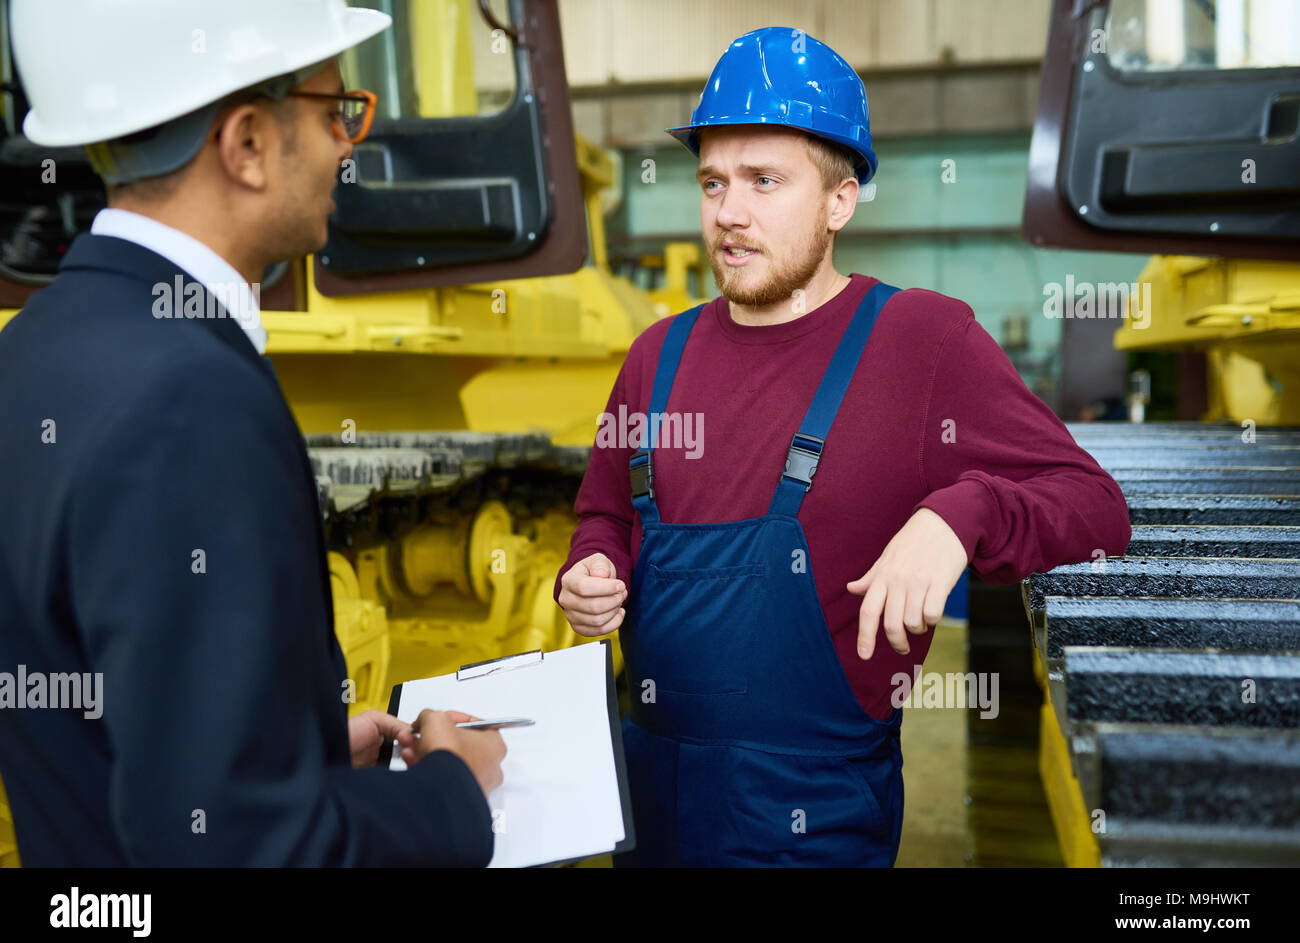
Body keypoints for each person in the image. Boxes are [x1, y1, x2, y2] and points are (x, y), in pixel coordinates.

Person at [555, 27, 1131, 866]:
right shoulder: (655, 356)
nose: (730, 213)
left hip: (811, 820)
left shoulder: (922, 342)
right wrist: (590, 568)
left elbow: (1096, 507)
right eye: (713, 181)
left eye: (764, 181)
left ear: (840, 198)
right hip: (646, 809)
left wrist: (960, 512)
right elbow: (604, 511)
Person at [0, 0, 504, 866]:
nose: (350, 144)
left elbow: (139, 755)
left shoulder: (34, 350)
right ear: (246, 145)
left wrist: (297, 749)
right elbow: (243, 843)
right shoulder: (188, 398)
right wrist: (452, 792)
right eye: (335, 110)